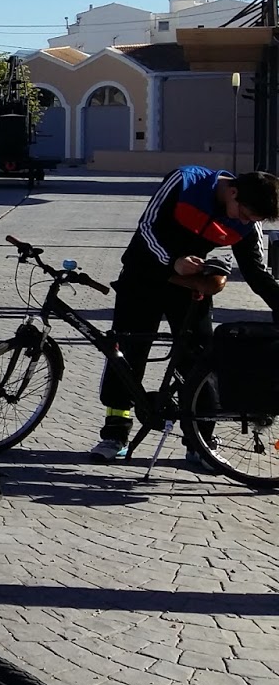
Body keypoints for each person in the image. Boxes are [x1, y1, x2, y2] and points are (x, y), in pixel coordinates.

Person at [91, 165, 279, 463]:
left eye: (250, 220)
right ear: (233, 192)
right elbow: (147, 227)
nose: (242, 222)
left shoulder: (246, 220)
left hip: (189, 287)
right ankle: (115, 432)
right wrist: (172, 261)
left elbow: (255, 271)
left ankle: (201, 441)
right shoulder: (186, 182)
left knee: (201, 358)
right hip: (143, 277)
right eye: (242, 214)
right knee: (127, 352)